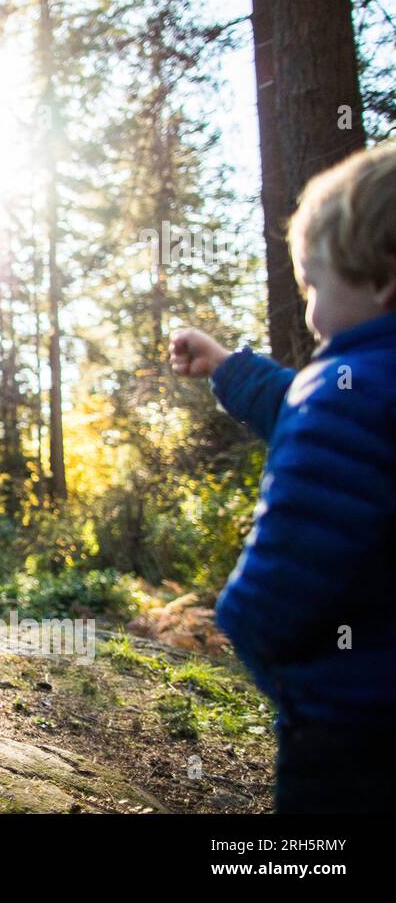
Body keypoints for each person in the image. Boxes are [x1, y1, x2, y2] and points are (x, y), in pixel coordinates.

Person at [169, 140, 396, 812]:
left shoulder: (344, 397)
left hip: (352, 740)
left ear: (383, 277)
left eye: (314, 287)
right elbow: (307, 411)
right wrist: (225, 365)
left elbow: (266, 607)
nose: (311, 313)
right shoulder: (362, 391)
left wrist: (284, 674)